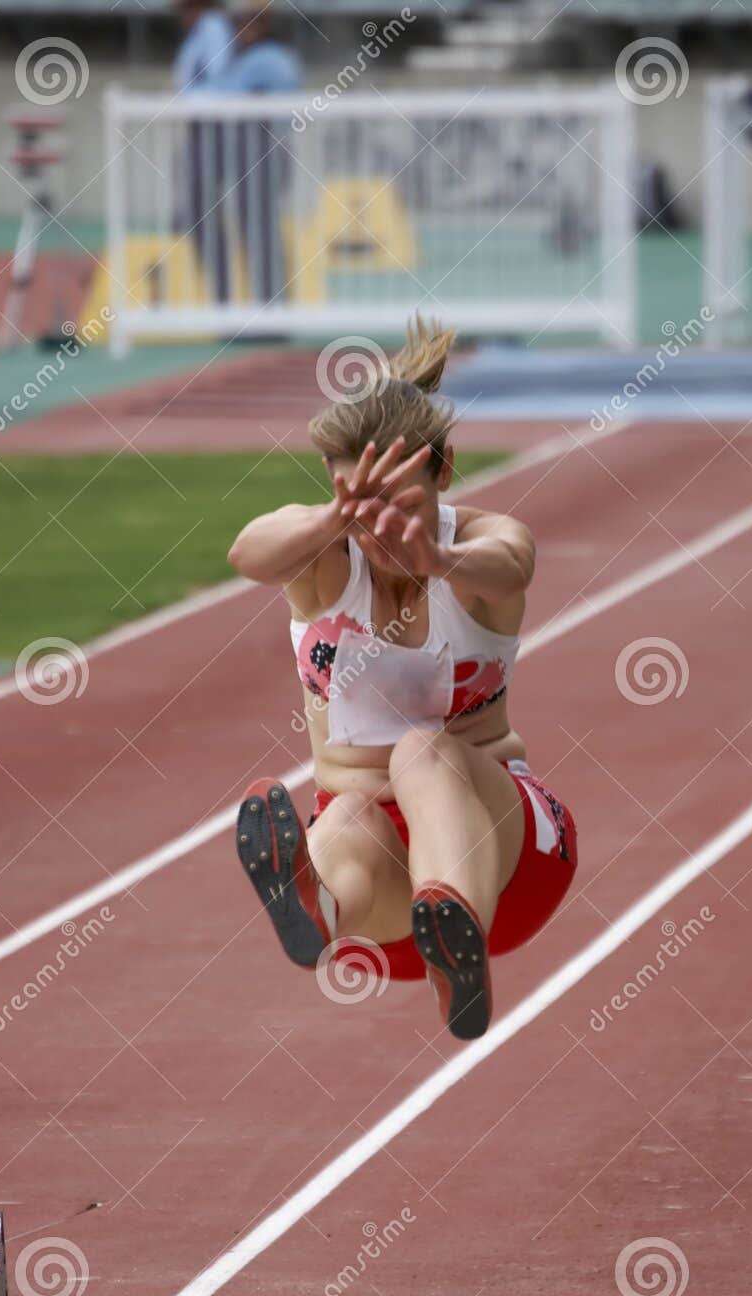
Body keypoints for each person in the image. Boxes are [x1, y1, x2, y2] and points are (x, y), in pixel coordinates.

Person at [228, 318, 578, 1042]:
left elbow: (513, 564)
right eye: (358, 508)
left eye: (401, 508)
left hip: (509, 862)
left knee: (423, 751)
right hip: (391, 912)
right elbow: (247, 553)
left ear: (442, 473)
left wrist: (439, 562)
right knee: (345, 817)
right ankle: (321, 906)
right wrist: (337, 516)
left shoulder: (481, 545)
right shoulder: (326, 556)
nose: (381, 532)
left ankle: (458, 926)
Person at [220, 6, 301, 304]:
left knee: (262, 231)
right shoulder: (256, 59)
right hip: (256, 156)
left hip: (264, 155)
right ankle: (268, 300)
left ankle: (272, 303)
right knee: (259, 230)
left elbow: (227, 98)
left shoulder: (268, 60)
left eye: (248, 23)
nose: (241, 30)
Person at [174, 0, 234, 303]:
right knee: (199, 215)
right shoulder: (200, 33)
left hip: (211, 131)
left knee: (204, 214)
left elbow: (219, 81)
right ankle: (218, 292)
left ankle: (223, 295)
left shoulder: (213, 28)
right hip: (199, 130)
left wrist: (189, 105)